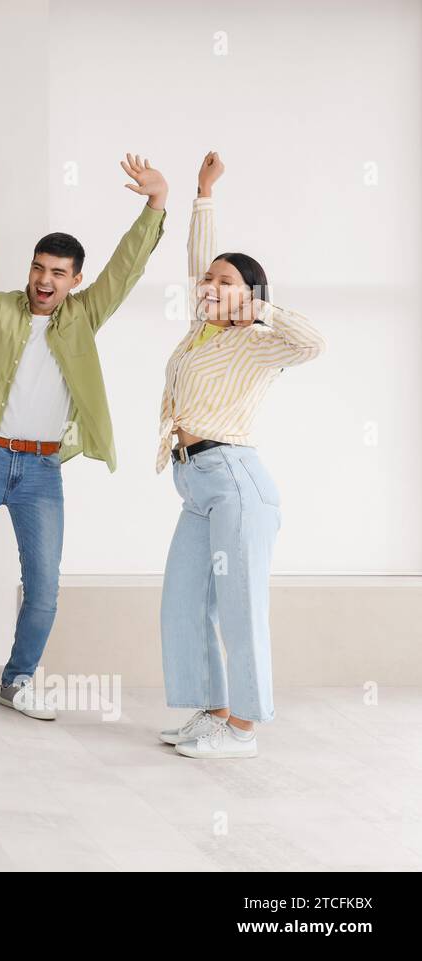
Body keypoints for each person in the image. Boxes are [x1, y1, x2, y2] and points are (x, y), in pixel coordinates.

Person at [0, 154, 167, 718]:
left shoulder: (85, 315)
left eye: (58, 272)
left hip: (42, 471)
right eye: (39, 267)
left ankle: (17, 682)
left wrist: (155, 204)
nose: (45, 280)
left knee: (43, 587)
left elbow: (126, 268)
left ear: (76, 280)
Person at [157, 151, 325, 759]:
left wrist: (260, 308)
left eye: (226, 283)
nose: (211, 287)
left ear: (249, 296)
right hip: (195, 485)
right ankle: (214, 711)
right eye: (210, 282)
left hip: (235, 481)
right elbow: (199, 261)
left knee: (239, 605)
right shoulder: (199, 330)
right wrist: (204, 194)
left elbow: (314, 344)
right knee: (182, 601)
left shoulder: (258, 344)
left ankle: (244, 730)